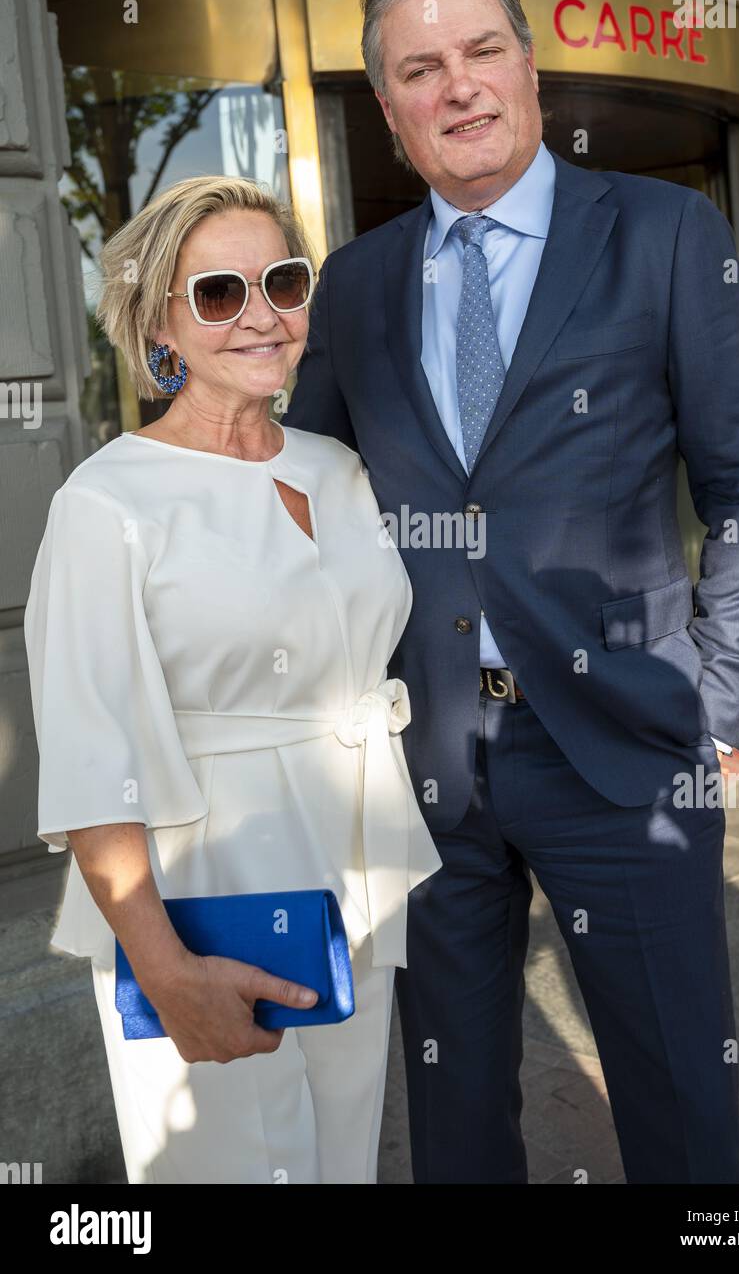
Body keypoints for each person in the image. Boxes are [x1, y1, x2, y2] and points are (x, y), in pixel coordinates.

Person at [283, 0, 739, 1183]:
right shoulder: (352, 288)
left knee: (681, 1109)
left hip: (627, 750)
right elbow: (299, 495)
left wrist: (718, 704)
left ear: (530, 69)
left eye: (478, 50)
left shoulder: (668, 233)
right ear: (392, 112)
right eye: (419, 68)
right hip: (424, 763)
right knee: (452, 1123)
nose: (456, 85)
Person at [23, 174, 441, 1184]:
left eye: (282, 282)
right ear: (157, 323)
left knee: (342, 1163)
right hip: (204, 897)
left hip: (357, 874)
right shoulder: (106, 502)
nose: (260, 315)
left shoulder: (335, 467)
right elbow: (92, 761)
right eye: (218, 293)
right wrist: (163, 969)